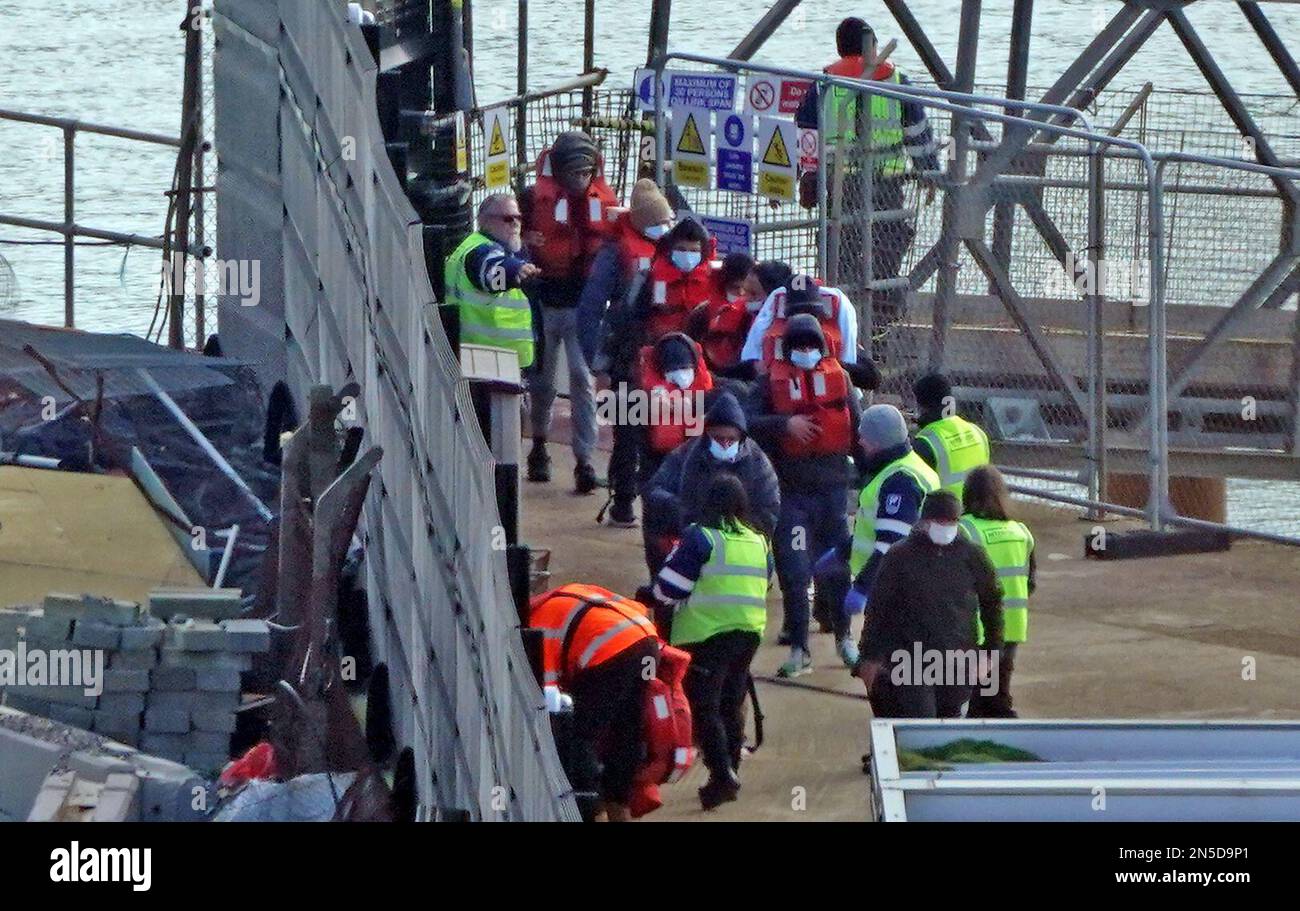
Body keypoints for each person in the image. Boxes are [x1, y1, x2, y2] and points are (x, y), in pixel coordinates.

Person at [795, 17, 940, 345]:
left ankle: (838, 324)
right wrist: (929, 172)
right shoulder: (897, 80)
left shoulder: (824, 83)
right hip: (885, 186)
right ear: (872, 46)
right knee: (887, 250)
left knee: (838, 253)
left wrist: (807, 177)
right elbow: (917, 132)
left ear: (839, 48)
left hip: (838, 186)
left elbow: (805, 133)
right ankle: (880, 325)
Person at [746, 315, 864, 678]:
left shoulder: (840, 380)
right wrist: (785, 424)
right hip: (792, 493)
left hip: (831, 492)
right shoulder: (768, 385)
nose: (806, 352)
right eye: (799, 346)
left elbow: (856, 428)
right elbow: (746, 421)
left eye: (812, 346)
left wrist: (866, 477)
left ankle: (846, 639)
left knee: (836, 567)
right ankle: (800, 648)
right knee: (796, 572)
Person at [652, 474, 773, 809]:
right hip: (749, 632)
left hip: (706, 633)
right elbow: (766, 581)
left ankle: (721, 774)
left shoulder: (701, 537)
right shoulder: (758, 539)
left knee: (704, 706)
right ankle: (729, 770)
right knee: (731, 703)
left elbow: (668, 589)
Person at [522, 130, 619, 493]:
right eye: (573, 173)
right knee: (542, 383)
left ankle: (585, 460)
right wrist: (525, 243)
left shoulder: (604, 202)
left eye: (585, 173)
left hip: (582, 307)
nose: (580, 180)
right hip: (543, 302)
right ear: (559, 171)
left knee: (581, 380)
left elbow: (617, 243)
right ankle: (539, 447)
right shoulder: (532, 198)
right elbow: (513, 240)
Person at [853, 491, 1003, 718]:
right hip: (909, 661)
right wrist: (869, 658)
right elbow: (878, 609)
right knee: (921, 720)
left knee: (949, 725)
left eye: (951, 521)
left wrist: (991, 652)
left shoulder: (973, 556)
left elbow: (993, 603)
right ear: (925, 521)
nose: (945, 527)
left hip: (957, 663)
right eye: (939, 521)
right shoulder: (900, 556)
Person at [528, 583, 660, 821]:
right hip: (647, 641)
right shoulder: (569, 593)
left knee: (579, 737)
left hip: (609, 652)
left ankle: (593, 811)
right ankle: (619, 808)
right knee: (628, 730)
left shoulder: (536, 623)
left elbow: (547, 695)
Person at [644, 390, 781, 579]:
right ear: (707, 434)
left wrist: (730, 530)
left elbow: (768, 511)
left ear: (741, 437)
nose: (724, 444)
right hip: (693, 532)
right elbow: (655, 490)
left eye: (730, 440)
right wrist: (684, 512)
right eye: (718, 438)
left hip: (739, 541)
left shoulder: (758, 465)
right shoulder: (685, 454)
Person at [844, 404, 940, 637]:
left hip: (900, 588)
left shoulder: (900, 480)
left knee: (884, 658)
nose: (860, 442)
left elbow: (891, 542)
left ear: (879, 441)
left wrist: (861, 587)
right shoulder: (908, 466)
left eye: (864, 437)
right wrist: (842, 551)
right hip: (910, 581)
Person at [602, 332, 713, 529]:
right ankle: (623, 504)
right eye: (675, 371)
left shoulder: (708, 386)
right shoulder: (639, 382)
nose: (680, 375)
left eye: (685, 369)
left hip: (688, 446)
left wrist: (679, 407)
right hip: (649, 442)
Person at [960, 465, 1035, 718]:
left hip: (978, 629)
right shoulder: (1022, 533)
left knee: (975, 696)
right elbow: (1030, 582)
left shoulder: (965, 530)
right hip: (1013, 626)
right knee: (998, 689)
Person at [442, 193, 540, 368]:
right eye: (508, 218)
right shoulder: (482, 251)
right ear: (484, 221)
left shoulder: (471, 246)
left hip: (479, 356)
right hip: (494, 363)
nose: (516, 223)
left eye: (518, 217)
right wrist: (515, 272)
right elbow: (491, 273)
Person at [740, 272, 860, 369]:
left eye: (809, 312)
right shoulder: (773, 318)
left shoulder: (838, 313)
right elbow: (750, 360)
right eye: (797, 313)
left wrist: (840, 368)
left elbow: (871, 377)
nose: (803, 319)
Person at [912, 372, 990, 502]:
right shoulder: (977, 432)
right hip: (977, 512)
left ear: (923, 405)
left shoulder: (926, 442)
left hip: (944, 516)